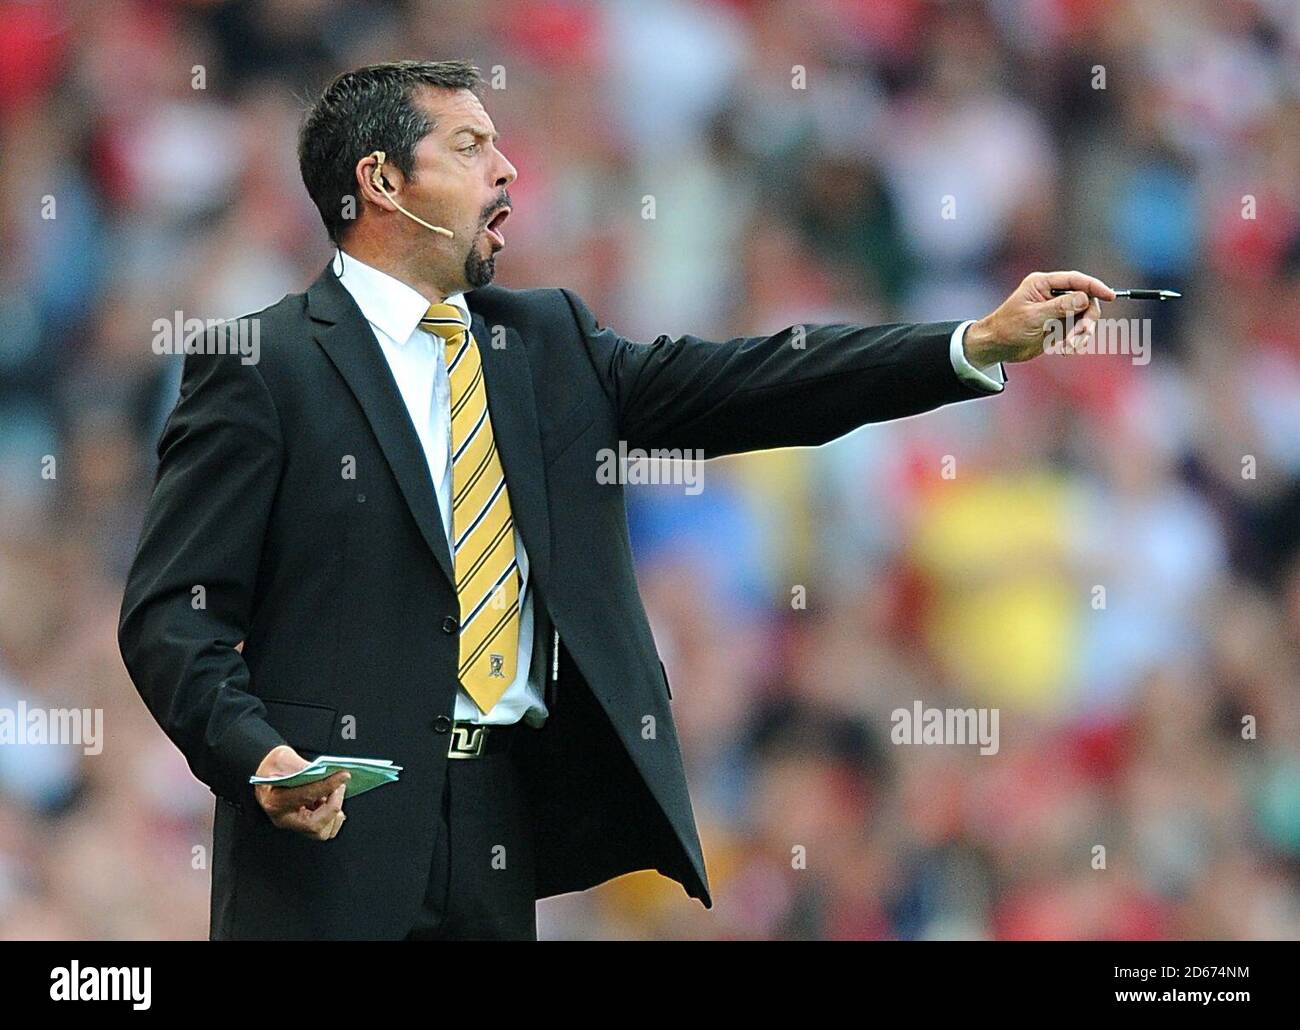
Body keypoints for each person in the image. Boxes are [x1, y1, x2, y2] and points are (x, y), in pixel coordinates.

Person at [117, 59, 1113, 940]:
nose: (506, 171)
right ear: (380, 181)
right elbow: (174, 613)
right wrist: (258, 756)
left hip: (499, 817)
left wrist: (966, 345)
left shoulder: (544, 342)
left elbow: (750, 381)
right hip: (327, 835)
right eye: (468, 147)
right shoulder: (264, 364)